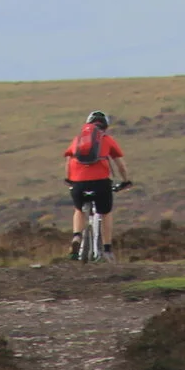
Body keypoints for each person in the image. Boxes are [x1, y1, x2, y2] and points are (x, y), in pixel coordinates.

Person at [63, 109, 131, 258]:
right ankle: (107, 249)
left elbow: (68, 160)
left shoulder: (77, 139)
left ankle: (76, 236)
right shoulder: (106, 139)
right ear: (105, 126)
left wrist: (69, 179)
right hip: (101, 183)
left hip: (78, 183)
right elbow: (120, 165)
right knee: (105, 212)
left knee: (79, 210)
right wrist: (126, 181)